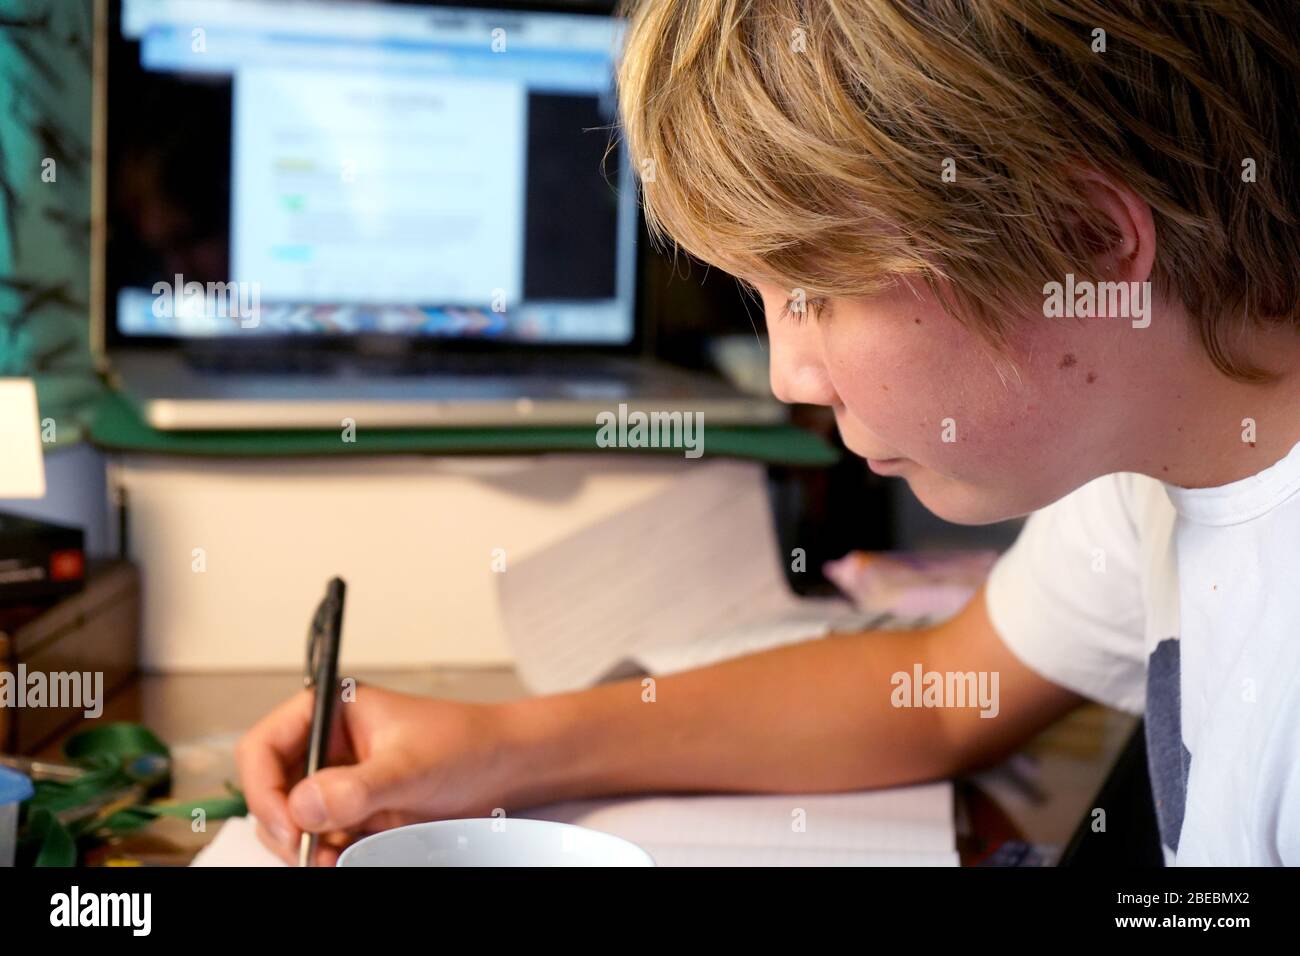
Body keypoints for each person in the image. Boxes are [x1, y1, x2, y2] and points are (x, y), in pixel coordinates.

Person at [238, 0, 1300, 865]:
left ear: (1084, 238)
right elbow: (932, 693)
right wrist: (494, 745)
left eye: (815, 291)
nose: (790, 374)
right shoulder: (1154, 457)